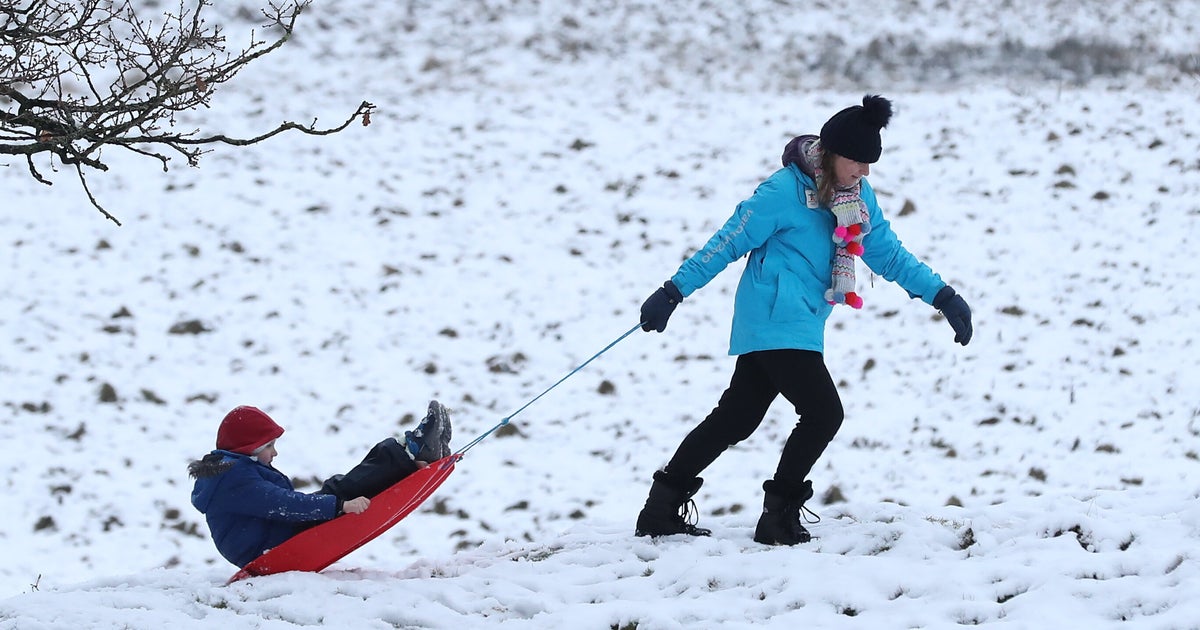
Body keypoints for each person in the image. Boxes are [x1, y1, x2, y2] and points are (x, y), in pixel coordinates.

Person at [633, 95, 972, 546]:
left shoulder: (856, 197)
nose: (865, 172)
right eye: (858, 161)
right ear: (832, 153)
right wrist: (673, 291)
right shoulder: (781, 193)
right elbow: (727, 242)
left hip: (804, 323)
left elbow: (886, 253)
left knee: (736, 418)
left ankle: (660, 508)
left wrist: (943, 296)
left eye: (872, 163)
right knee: (823, 413)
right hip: (773, 318)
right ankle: (778, 517)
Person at [188, 401, 453, 567]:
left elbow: (279, 504)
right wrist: (340, 506)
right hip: (266, 548)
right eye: (269, 446)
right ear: (248, 448)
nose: (274, 453)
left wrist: (335, 504)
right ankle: (413, 452)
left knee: (339, 488)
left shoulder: (232, 471)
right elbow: (282, 503)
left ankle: (412, 452)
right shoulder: (233, 478)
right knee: (341, 491)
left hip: (271, 536)